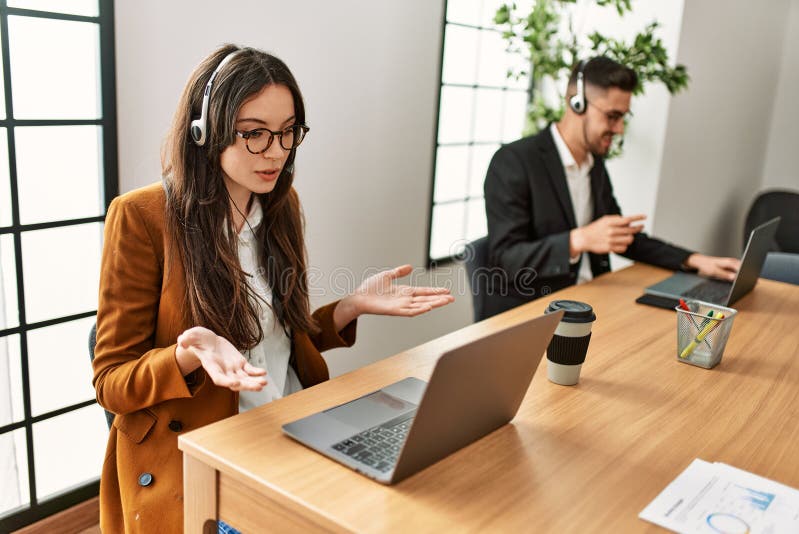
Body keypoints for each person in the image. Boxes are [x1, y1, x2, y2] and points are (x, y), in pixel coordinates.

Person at [92, 44, 454, 533]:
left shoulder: (279, 205)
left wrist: (349, 307)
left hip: (290, 425)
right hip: (206, 455)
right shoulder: (142, 217)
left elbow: (280, 337)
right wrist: (188, 355)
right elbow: (111, 382)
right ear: (205, 131)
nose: (277, 152)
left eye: (288, 133)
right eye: (255, 134)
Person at [483, 56, 740, 315]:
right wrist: (578, 240)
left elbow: (623, 237)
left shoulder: (595, 165)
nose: (619, 129)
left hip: (591, 300)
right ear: (577, 104)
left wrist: (694, 261)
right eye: (612, 116)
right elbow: (506, 259)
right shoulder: (514, 162)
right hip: (537, 311)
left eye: (622, 117)